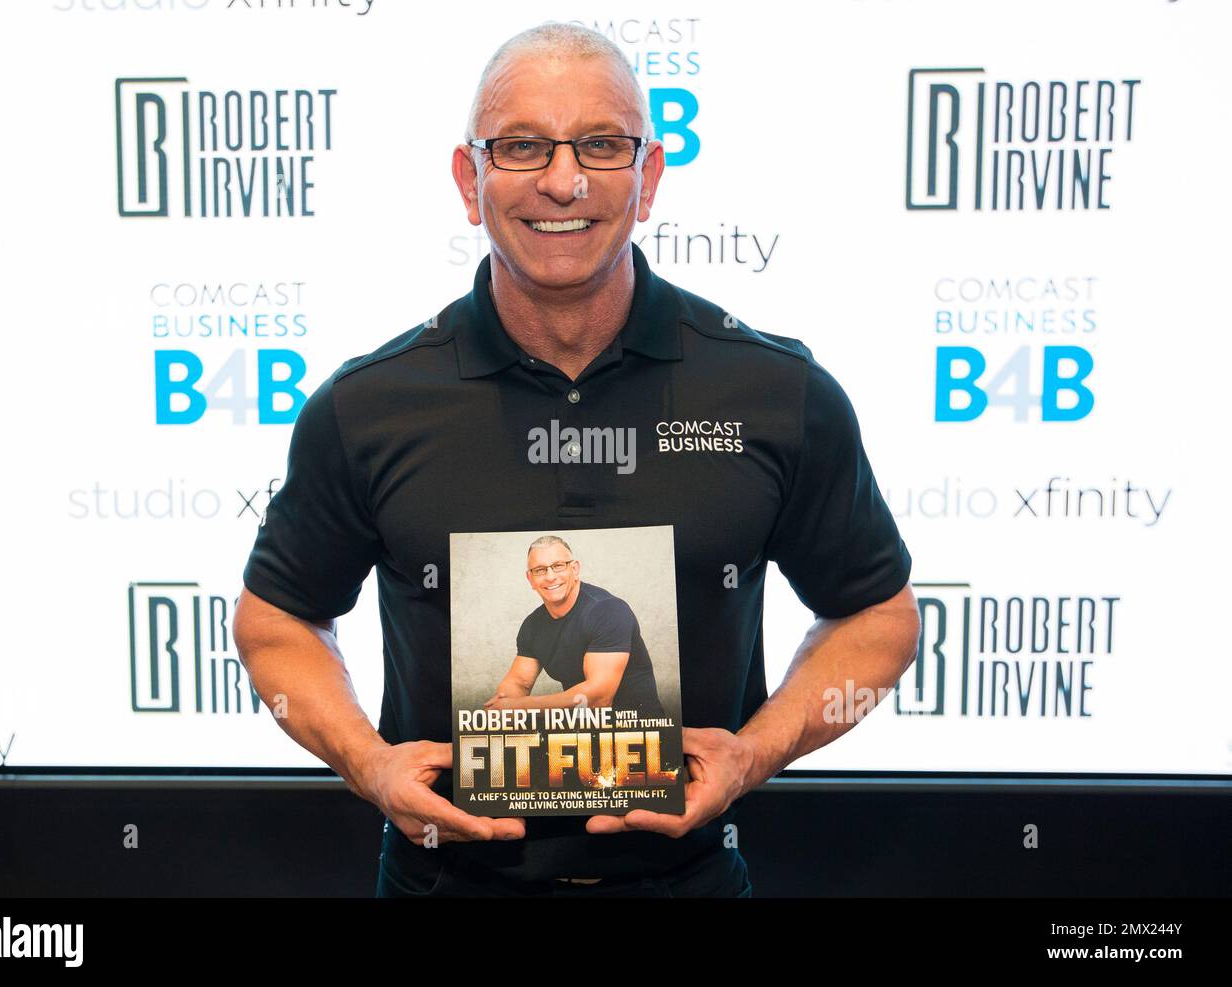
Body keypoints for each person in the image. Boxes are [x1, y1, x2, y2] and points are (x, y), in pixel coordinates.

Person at [234, 21, 920, 898]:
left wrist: (754, 752)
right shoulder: (366, 407)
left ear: (650, 176)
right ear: (469, 180)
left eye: (601, 144)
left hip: (688, 882)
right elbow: (276, 622)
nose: (565, 181)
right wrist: (369, 763)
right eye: (521, 147)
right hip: (444, 886)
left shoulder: (775, 393)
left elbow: (880, 619)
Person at [486, 535, 666, 718]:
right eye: (539, 570)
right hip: (579, 730)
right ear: (530, 578)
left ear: (575, 569)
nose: (550, 577)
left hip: (639, 730)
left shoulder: (608, 611)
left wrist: (519, 707)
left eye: (558, 566)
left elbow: (598, 699)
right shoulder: (532, 626)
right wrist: (501, 706)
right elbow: (519, 683)